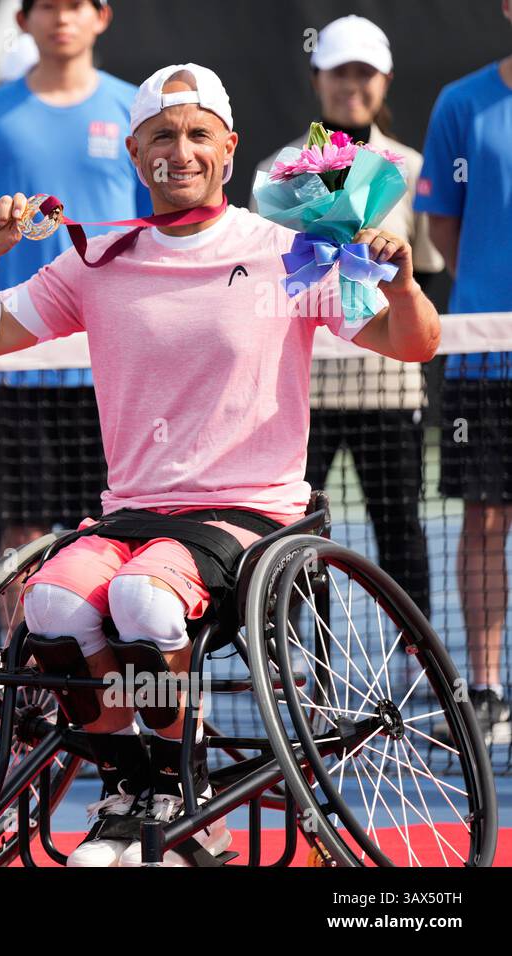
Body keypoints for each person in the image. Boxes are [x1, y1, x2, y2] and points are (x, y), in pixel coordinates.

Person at [0, 64, 439, 866]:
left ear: (229, 148)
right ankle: (131, 783)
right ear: (135, 155)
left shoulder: (295, 252)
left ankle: (187, 792)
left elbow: (412, 343)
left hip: (254, 516)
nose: (181, 150)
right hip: (133, 511)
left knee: (142, 599)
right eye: (162, 137)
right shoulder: (95, 260)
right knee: (53, 603)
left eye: (198, 133)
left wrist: (405, 280)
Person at [0, 0, 149, 671]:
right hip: (20, 364)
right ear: (23, 20)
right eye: (46, 6)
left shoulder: (134, 110)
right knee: (21, 530)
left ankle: (115, 668)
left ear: (101, 16)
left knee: (117, 533)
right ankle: (22, 670)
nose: (61, 17)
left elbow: (156, 231)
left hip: (114, 363)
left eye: (76, 5)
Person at [250, 14, 443, 623]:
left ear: (384, 80)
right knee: (298, 542)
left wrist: (371, 272)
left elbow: (428, 274)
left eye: (364, 72)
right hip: (303, 391)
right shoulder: (278, 171)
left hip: (388, 391)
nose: (351, 85)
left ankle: (417, 667)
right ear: (317, 78)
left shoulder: (410, 169)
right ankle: (308, 667)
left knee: (399, 527)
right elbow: (266, 277)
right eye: (339, 72)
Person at [414, 0, 512, 745]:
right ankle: (485, 688)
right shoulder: (462, 104)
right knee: (484, 519)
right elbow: (443, 227)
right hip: (486, 347)